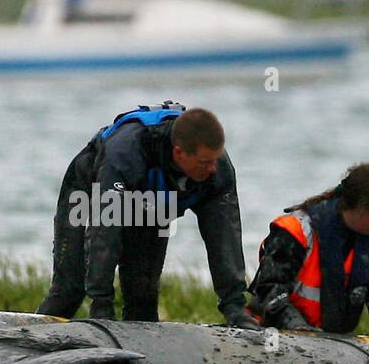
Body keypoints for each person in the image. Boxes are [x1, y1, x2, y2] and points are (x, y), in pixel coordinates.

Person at [37, 102, 258, 326]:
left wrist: (235, 308)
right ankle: (30, 341)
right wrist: (101, 305)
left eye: (215, 160)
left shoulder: (218, 169)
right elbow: (104, 233)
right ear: (179, 153)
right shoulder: (125, 153)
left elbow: (225, 241)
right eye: (205, 163)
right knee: (69, 291)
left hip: (151, 204)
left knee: (142, 298)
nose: (213, 168)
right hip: (89, 189)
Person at [249, 162, 369, 336]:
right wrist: (301, 330)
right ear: (363, 207)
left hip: (328, 344)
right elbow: (269, 292)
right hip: (270, 335)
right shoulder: (297, 230)